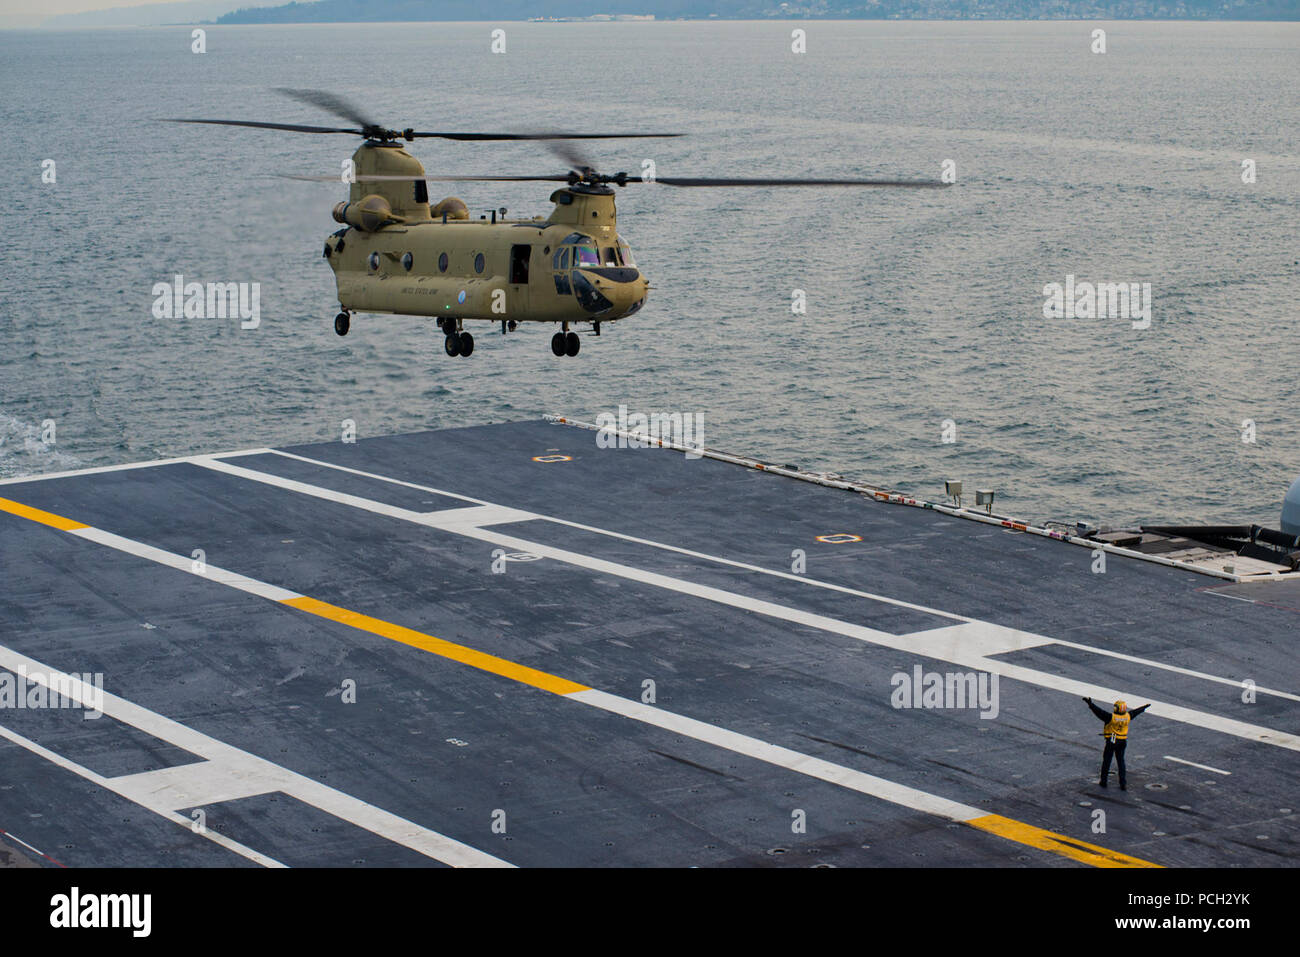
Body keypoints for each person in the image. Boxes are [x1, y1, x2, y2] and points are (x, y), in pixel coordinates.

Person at [1082, 697, 1150, 789]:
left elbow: (1099, 712)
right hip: (1122, 741)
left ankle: (1104, 781)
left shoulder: (1111, 718)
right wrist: (1144, 708)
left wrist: (1091, 704)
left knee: (1107, 760)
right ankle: (1123, 783)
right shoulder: (1127, 717)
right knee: (1121, 761)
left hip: (1112, 740)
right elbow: (1135, 712)